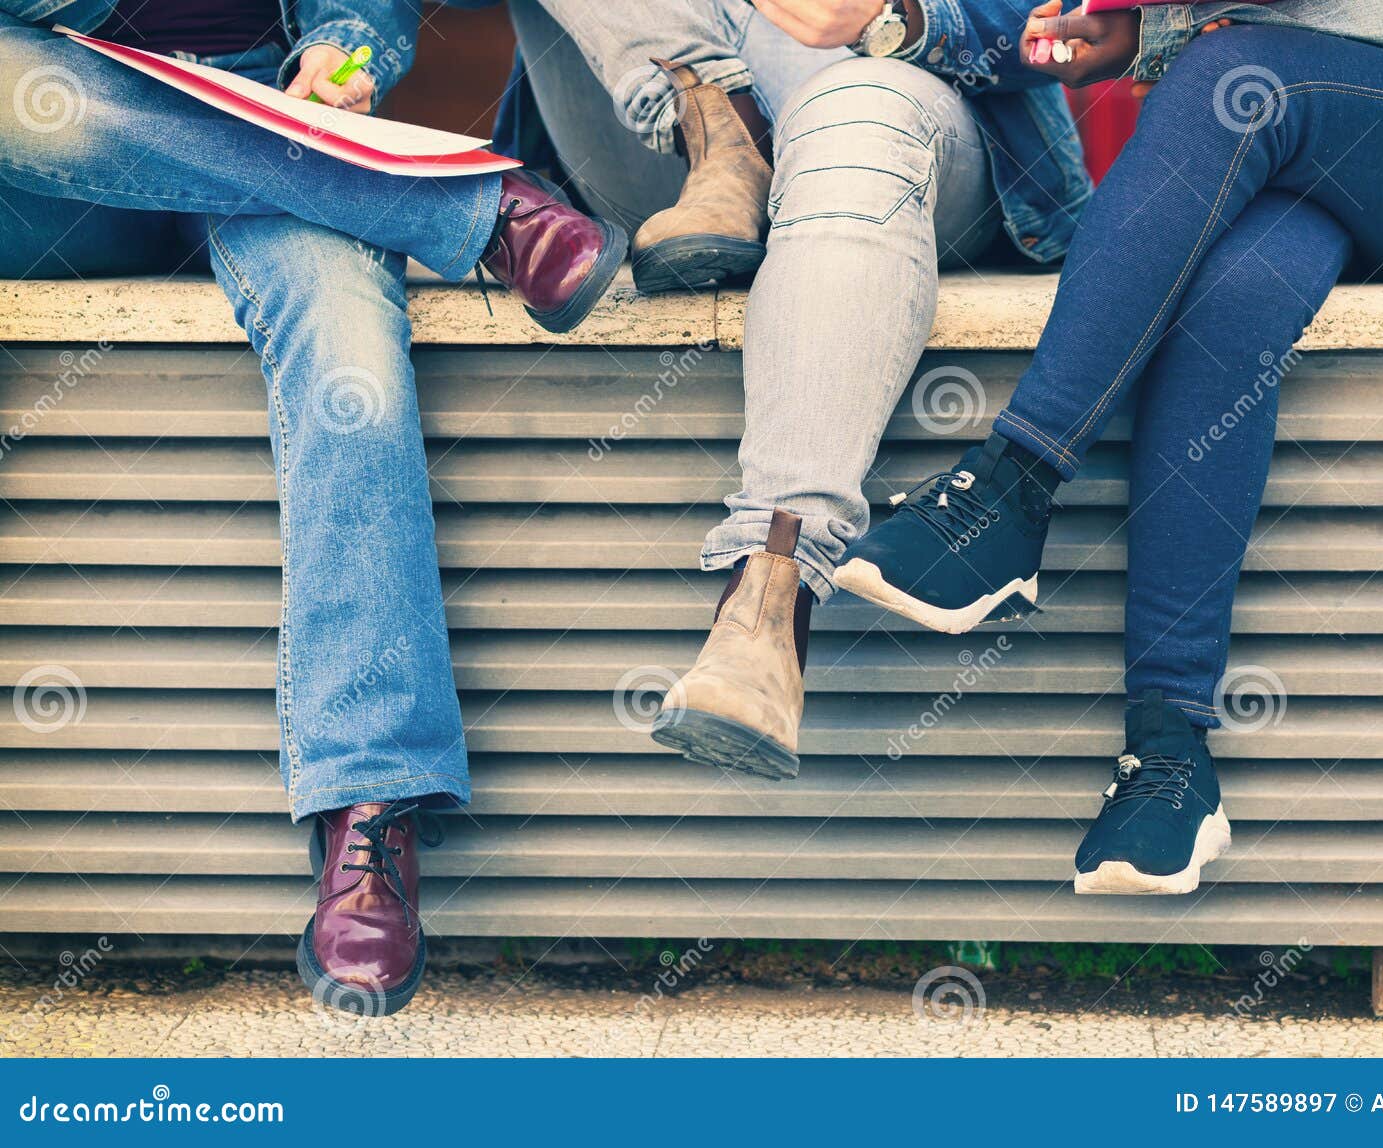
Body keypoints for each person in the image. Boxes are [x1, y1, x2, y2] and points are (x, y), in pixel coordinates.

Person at [836, 0, 1383, 893]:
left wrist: (1149, 33)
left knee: (1234, 80)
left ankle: (1013, 484)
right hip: (1323, 153)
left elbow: (1379, 25)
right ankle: (1169, 758)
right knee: (1232, 297)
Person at [0, 0, 626, 1015]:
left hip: (273, 118)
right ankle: (466, 208)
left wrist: (344, 45)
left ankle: (370, 804)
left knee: (353, 366)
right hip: (57, 137)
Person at [496, 0, 1093, 776]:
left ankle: (768, 599)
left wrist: (896, 17)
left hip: (903, 108)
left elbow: (1076, 20)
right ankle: (721, 136)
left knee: (855, 114)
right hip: (645, 125)